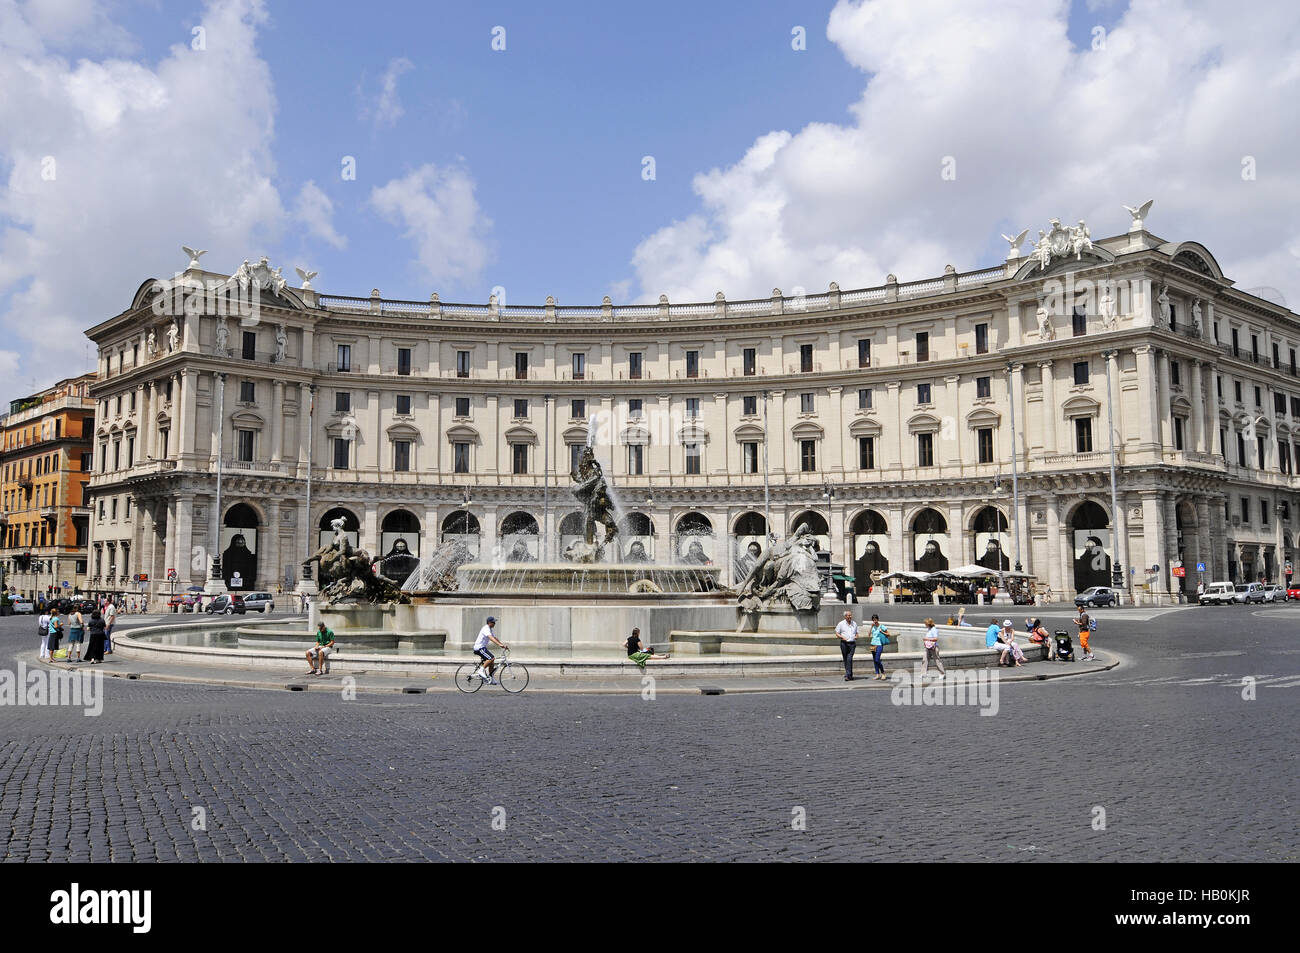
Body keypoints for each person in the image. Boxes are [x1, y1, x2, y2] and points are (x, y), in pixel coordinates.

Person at [473, 616, 509, 684]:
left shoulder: (490, 629)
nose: (494, 623)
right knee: (491, 658)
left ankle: (490, 678)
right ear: (489, 622)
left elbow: (494, 638)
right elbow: (491, 638)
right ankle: (481, 670)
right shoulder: (486, 628)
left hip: (482, 648)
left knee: (492, 661)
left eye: (494, 622)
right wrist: (499, 645)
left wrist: (502, 645)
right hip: (479, 648)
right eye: (493, 622)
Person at [835, 609, 859, 681]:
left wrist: (856, 636)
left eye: (851, 615)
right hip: (844, 643)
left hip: (852, 643)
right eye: (848, 615)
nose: (850, 616)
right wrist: (842, 637)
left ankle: (848, 675)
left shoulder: (854, 623)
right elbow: (837, 633)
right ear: (845, 616)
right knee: (846, 659)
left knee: (849, 658)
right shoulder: (841, 624)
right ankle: (849, 675)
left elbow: (857, 633)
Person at [868, 613, 890, 680]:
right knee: (875, 660)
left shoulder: (882, 626)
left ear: (878, 619)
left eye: (876, 619)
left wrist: (882, 632)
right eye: (873, 620)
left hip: (879, 644)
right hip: (873, 644)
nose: (875, 621)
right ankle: (877, 674)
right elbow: (869, 635)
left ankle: (883, 673)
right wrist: (871, 627)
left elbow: (888, 634)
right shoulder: (873, 627)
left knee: (877, 659)